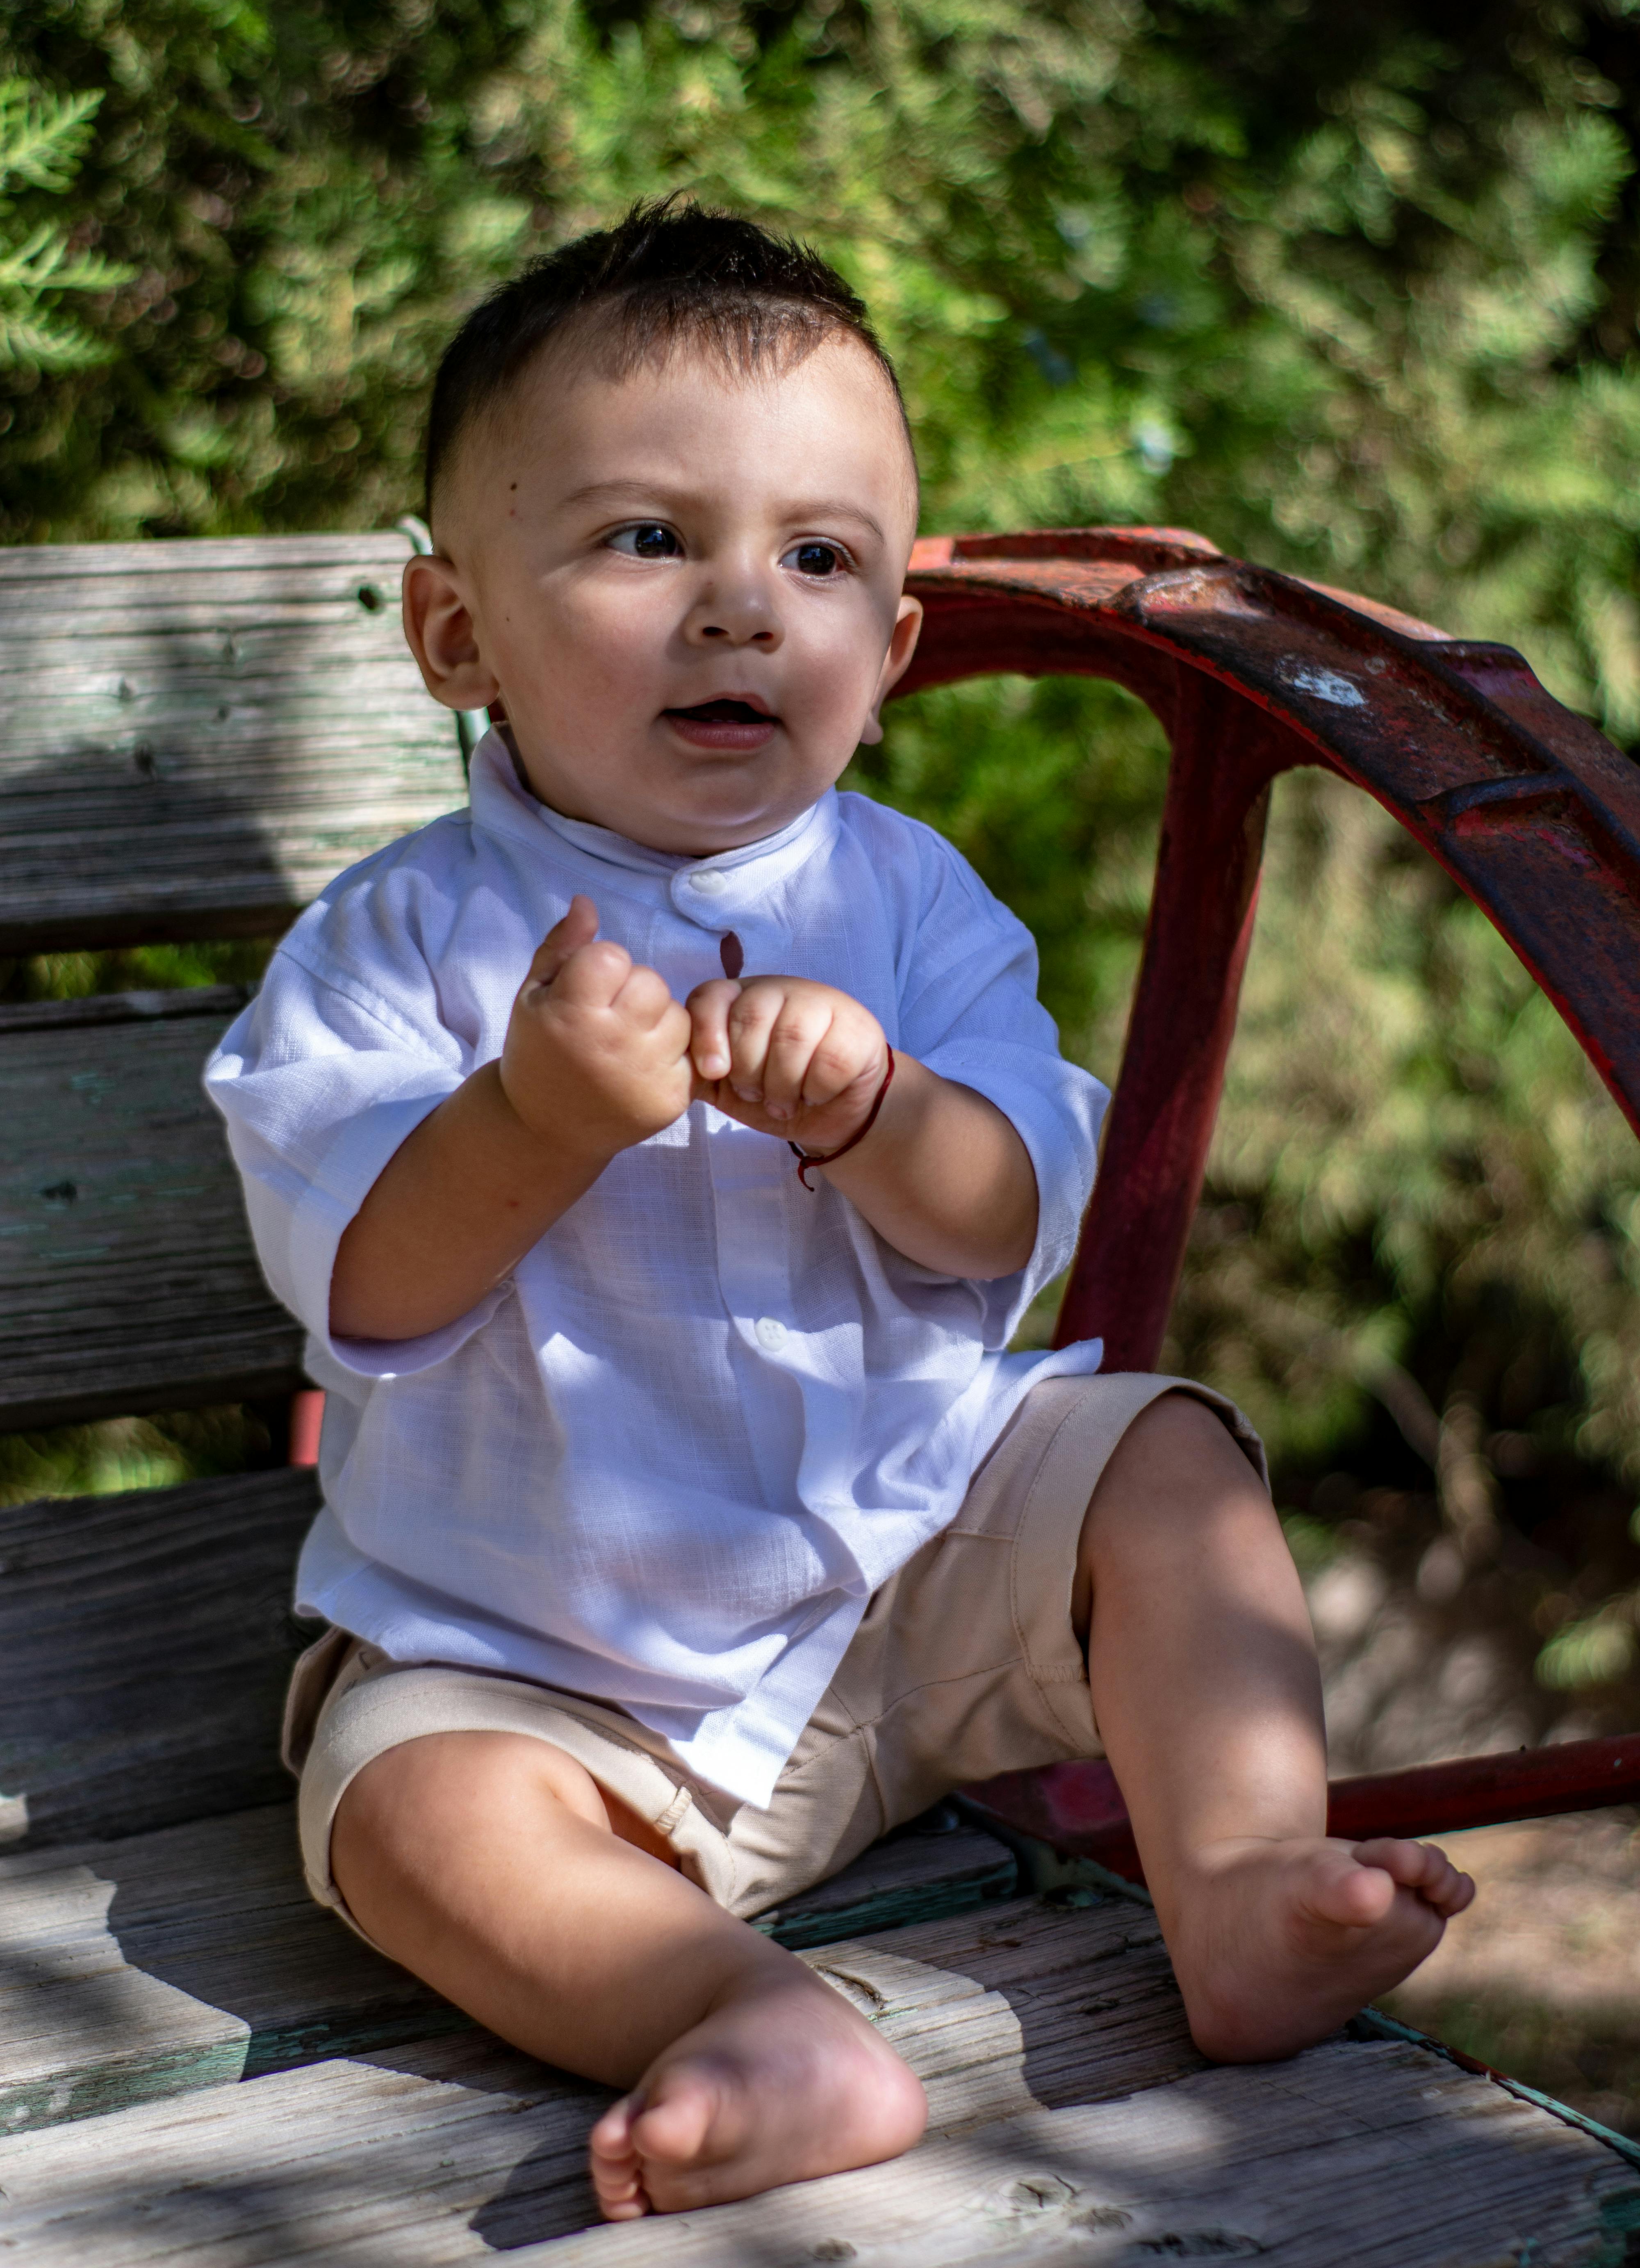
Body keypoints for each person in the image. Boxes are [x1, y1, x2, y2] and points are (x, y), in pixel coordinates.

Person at [206, 199, 1473, 2225]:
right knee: (395, 1799)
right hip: (549, 1669)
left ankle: (1238, 1889)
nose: (738, 610)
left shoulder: (908, 906)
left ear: (888, 653)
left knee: (1159, 1456)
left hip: (905, 1599)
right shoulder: (395, 950)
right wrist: (529, 1121)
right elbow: (363, 1277)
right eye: (645, 540)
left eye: (814, 558)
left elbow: (1005, 1219)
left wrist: (883, 1109)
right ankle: (736, 2018)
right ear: (456, 632)